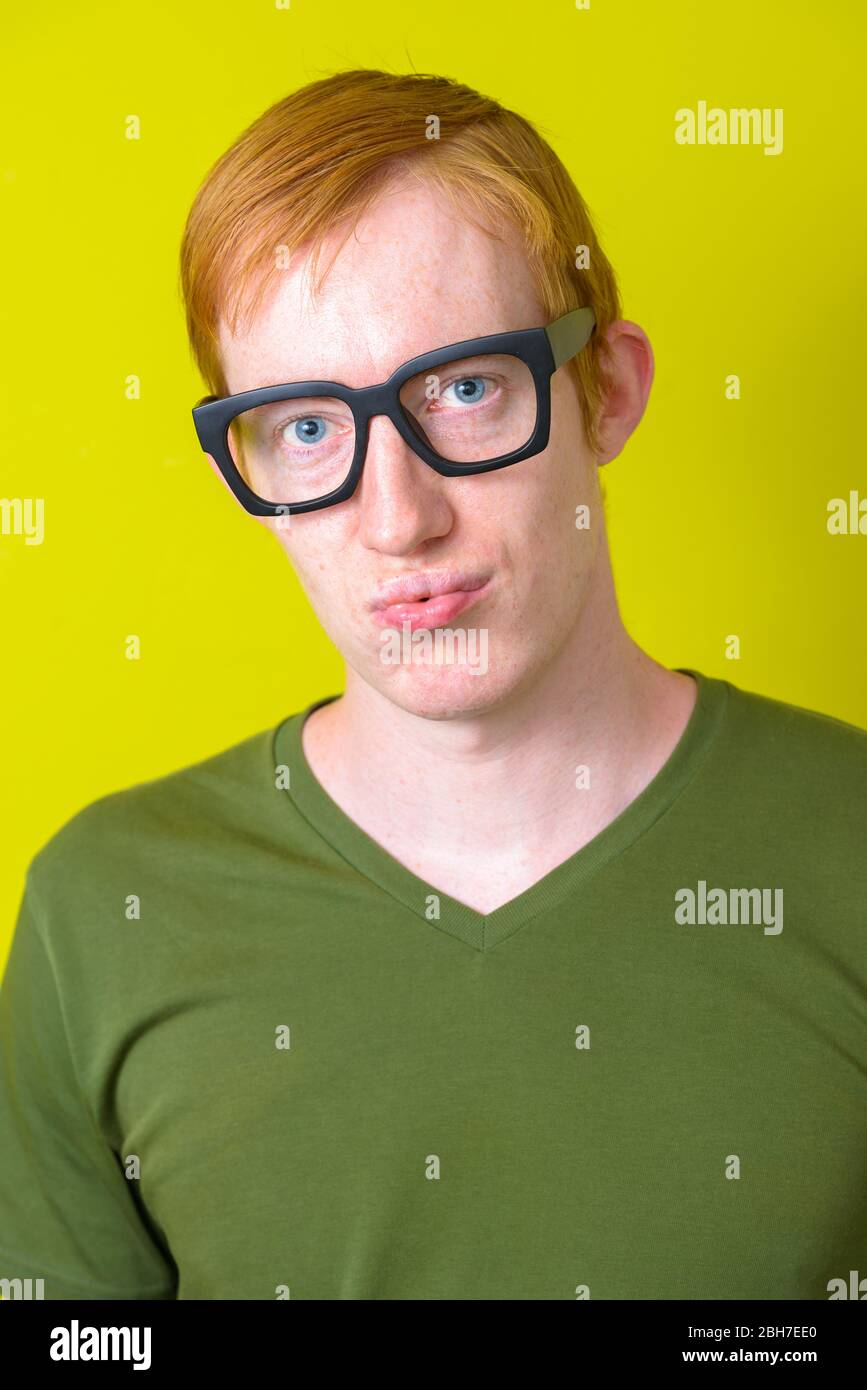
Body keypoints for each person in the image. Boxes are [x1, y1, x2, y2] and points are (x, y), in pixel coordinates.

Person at [1, 69, 865, 1302]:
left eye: (464, 389)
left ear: (603, 391)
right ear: (241, 468)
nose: (397, 517)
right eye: (306, 427)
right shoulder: (102, 910)